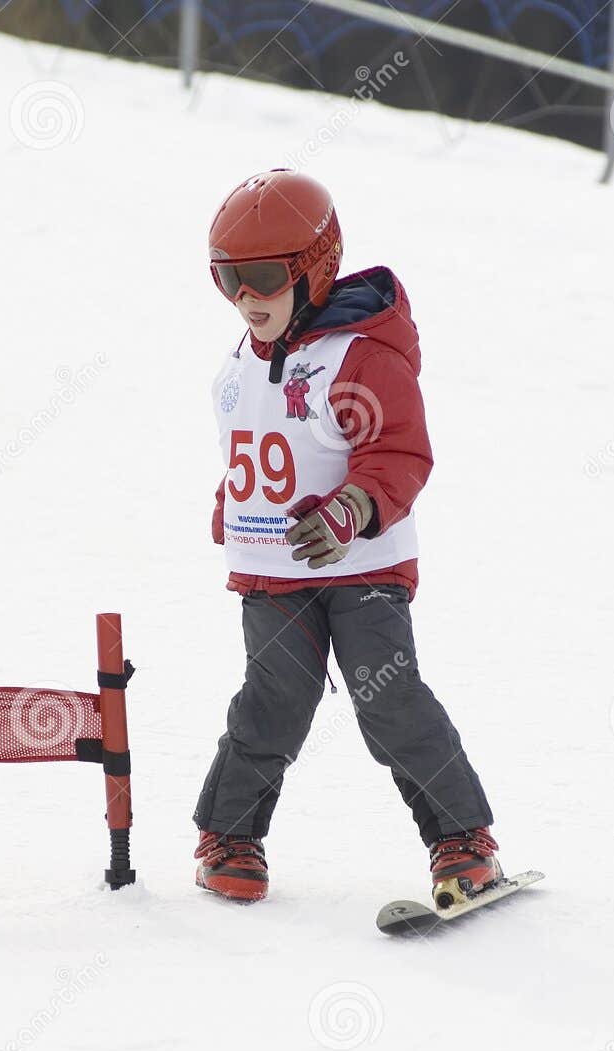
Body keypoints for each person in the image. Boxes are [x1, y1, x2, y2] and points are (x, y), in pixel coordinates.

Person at [194, 169, 500, 908]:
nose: (245, 297)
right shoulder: (241, 362)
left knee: (387, 698)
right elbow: (257, 446)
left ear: (313, 269)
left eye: (263, 277)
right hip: (272, 573)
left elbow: (397, 452)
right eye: (227, 277)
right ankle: (229, 836)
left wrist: (351, 510)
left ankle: (462, 837)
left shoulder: (358, 358)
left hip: (362, 568)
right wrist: (228, 506)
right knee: (273, 703)